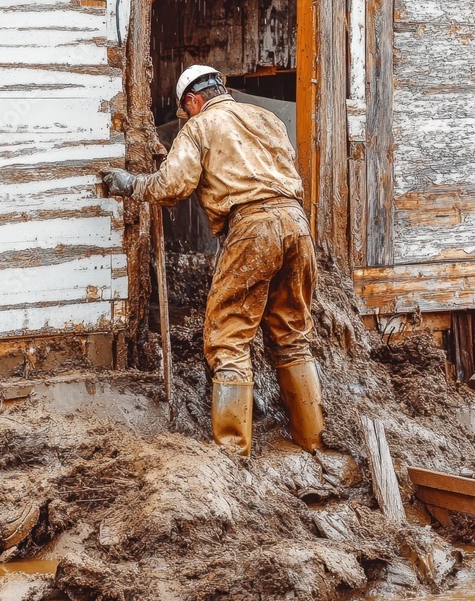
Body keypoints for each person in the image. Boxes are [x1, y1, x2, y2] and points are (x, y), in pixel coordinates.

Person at [102, 64, 324, 457]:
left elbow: (173, 186)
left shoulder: (200, 126)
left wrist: (131, 184)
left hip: (252, 228)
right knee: (292, 335)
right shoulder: (267, 119)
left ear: (192, 100)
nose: (185, 116)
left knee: (229, 337)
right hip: (296, 224)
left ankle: (232, 453)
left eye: (184, 110)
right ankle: (312, 440)